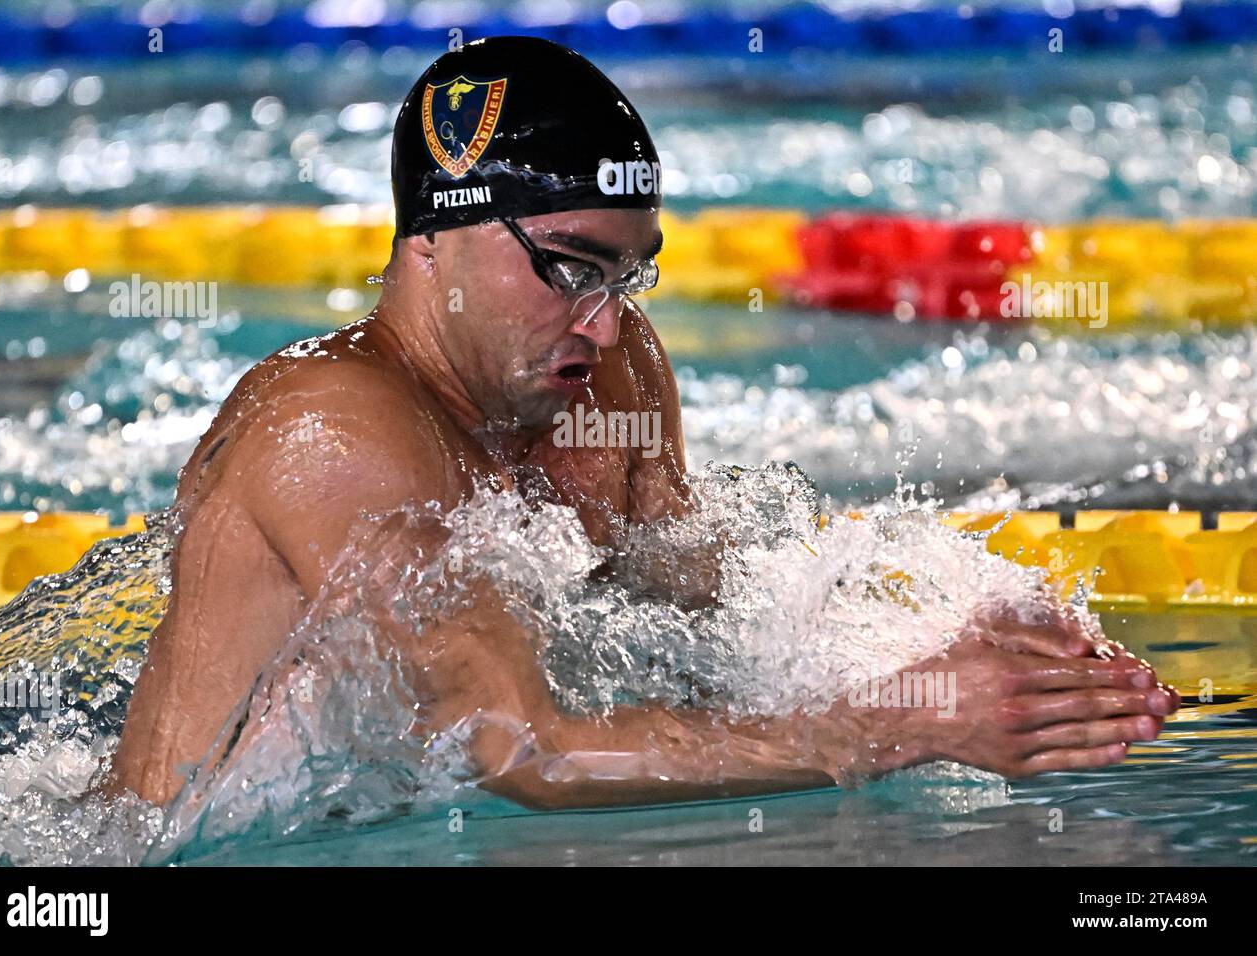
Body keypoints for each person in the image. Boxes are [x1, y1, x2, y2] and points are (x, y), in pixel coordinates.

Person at [108, 36, 1179, 809]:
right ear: (433, 242)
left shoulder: (606, 375)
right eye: (571, 266)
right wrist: (905, 723)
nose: (608, 318)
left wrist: (942, 642)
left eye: (629, 270)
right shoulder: (332, 434)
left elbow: (700, 623)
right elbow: (530, 750)